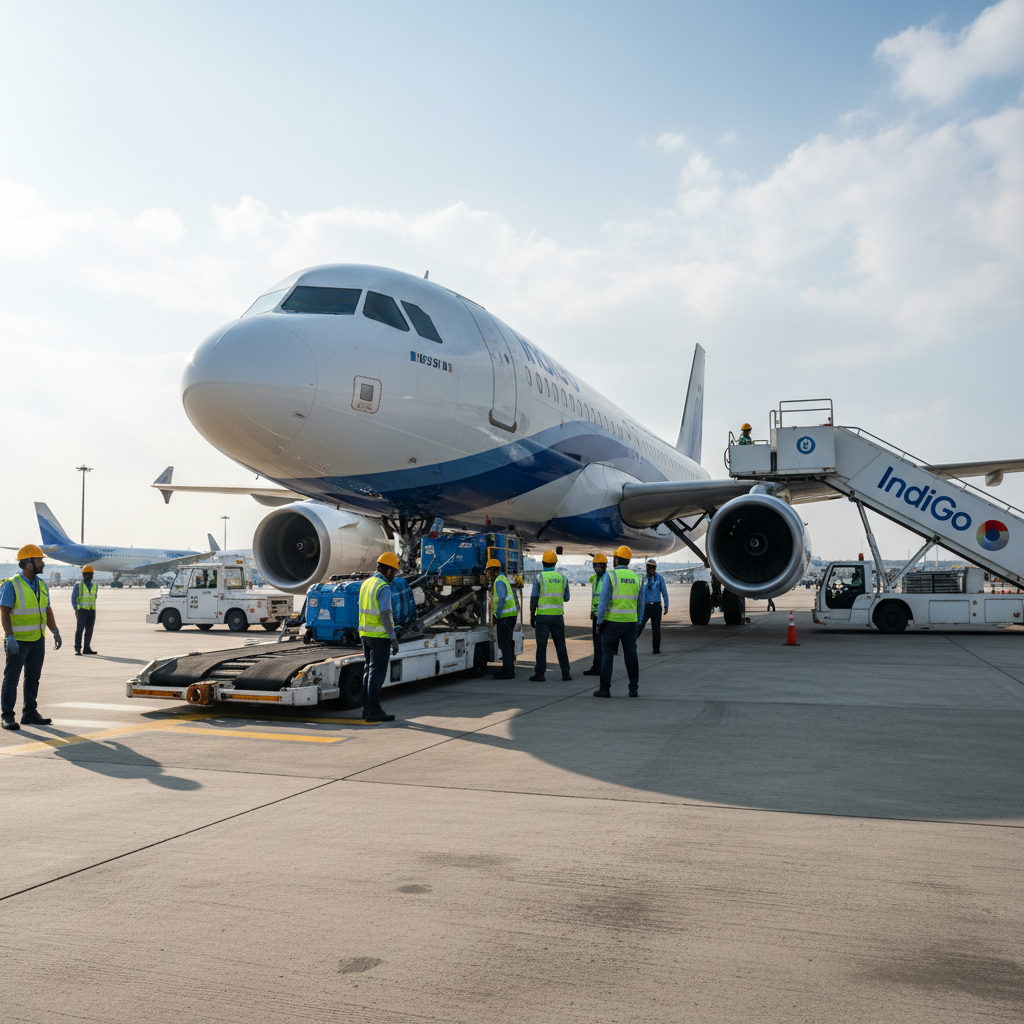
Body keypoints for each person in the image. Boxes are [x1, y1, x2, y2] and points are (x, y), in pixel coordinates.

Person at [0, 544, 62, 730]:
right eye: (39, 560)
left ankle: (30, 713)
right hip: (18, 641)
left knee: (33, 677)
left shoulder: (42, 585)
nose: (42, 563)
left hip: (37, 639)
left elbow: (47, 609)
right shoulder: (11, 585)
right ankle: (7, 716)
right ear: (28, 563)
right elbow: (4, 612)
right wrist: (9, 636)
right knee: (12, 679)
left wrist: (55, 631)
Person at [358, 551, 402, 722]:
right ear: (389, 570)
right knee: (377, 674)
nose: (394, 575)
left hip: (364, 634)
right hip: (379, 636)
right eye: (395, 572)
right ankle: (373, 710)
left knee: (368, 671)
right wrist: (393, 638)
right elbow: (385, 614)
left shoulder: (366, 583)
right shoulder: (383, 587)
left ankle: (367, 709)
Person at [594, 545, 644, 698]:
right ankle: (633, 688)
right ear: (628, 560)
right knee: (631, 654)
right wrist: (638, 622)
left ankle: (605, 689)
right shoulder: (637, 577)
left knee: (607, 655)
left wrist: (599, 622)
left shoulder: (610, 576)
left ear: (616, 559)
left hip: (612, 622)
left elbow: (603, 602)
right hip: (630, 622)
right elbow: (641, 603)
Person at [529, 550, 571, 682]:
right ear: (555, 563)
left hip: (542, 616)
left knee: (541, 645)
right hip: (557, 616)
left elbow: (534, 598)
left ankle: (540, 674)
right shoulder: (563, 578)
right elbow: (566, 598)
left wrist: (532, 615)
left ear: (543, 563)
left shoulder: (539, 577)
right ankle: (566, 673)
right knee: (560, 644)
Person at [487, 558, 518, 679]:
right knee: (508, 643)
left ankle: (508, 670)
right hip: (510, 615)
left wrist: (497, 614)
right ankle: (510, 667)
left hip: (505, 616)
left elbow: (502, 598)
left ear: (493, 571)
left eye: (489, 572)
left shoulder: (499, 581)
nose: (488, 575)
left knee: (504, 644)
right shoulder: (503, 578)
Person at [583, 553, 609, 676]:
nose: (598, 568)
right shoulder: (594, 579)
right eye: (596, 566)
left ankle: (599, 667)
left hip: (603, 616)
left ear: (605, 566)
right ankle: (598, 666)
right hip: (596, 615)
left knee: (600, 643)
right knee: (597, 643)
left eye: (600, 566)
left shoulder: (607, 578)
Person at [636, 558, 669, 654]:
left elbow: (664, 592)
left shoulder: (659, 578)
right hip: (645, 607)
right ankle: (631, 644)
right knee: (639, 626)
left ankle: (656, 648)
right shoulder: (642, 578)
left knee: (656, 628)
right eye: (649, 567)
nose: (650, 569)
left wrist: (666, 605)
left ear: (655, 568)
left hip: (656, 607)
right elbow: (637, 593)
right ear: (646, 568)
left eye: (652, 567)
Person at [72, 565, 99, 656]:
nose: (88, 576)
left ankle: (86, 648)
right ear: (83, 575)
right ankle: (78, 649)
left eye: (90, 574)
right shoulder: (78, 585)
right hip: (82, 611)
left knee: (89, 630)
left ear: (92, 575)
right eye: (86, 574)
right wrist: (76, 610)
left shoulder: (95, 586)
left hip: (91, 611)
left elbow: (94, 597)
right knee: (79, 630)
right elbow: (73, 598)